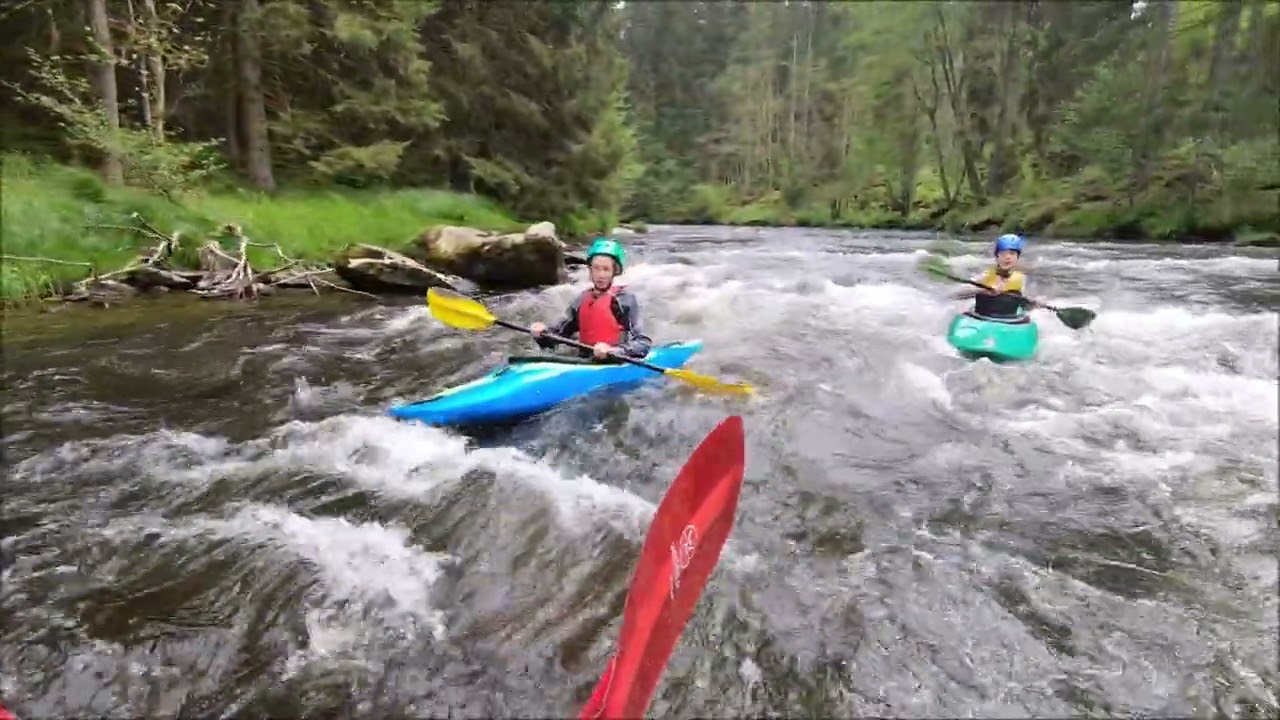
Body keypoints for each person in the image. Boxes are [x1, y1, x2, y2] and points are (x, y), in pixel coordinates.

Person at [529, 236, 653, 361]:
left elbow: (643, 343)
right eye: (596, 268)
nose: (601, 275)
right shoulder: (581, 300)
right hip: (584, 360)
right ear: (590, 270)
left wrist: (615, 351)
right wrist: (541, 334)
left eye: (606, 269)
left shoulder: (625, 300)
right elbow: (555, 338)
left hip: (615, 361)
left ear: (614, 271)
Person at [953, 233, 1041, 319]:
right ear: (996, 257)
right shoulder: (985, 276)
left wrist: (1032, 303)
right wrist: (982, 290)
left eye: (1012, 253)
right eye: (1003, 254)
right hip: (981, 319)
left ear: (1017, 257)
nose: (1007, 257)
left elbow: (1028, 308)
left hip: (1010, 323)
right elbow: (955, 294)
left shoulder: (1022, 280)